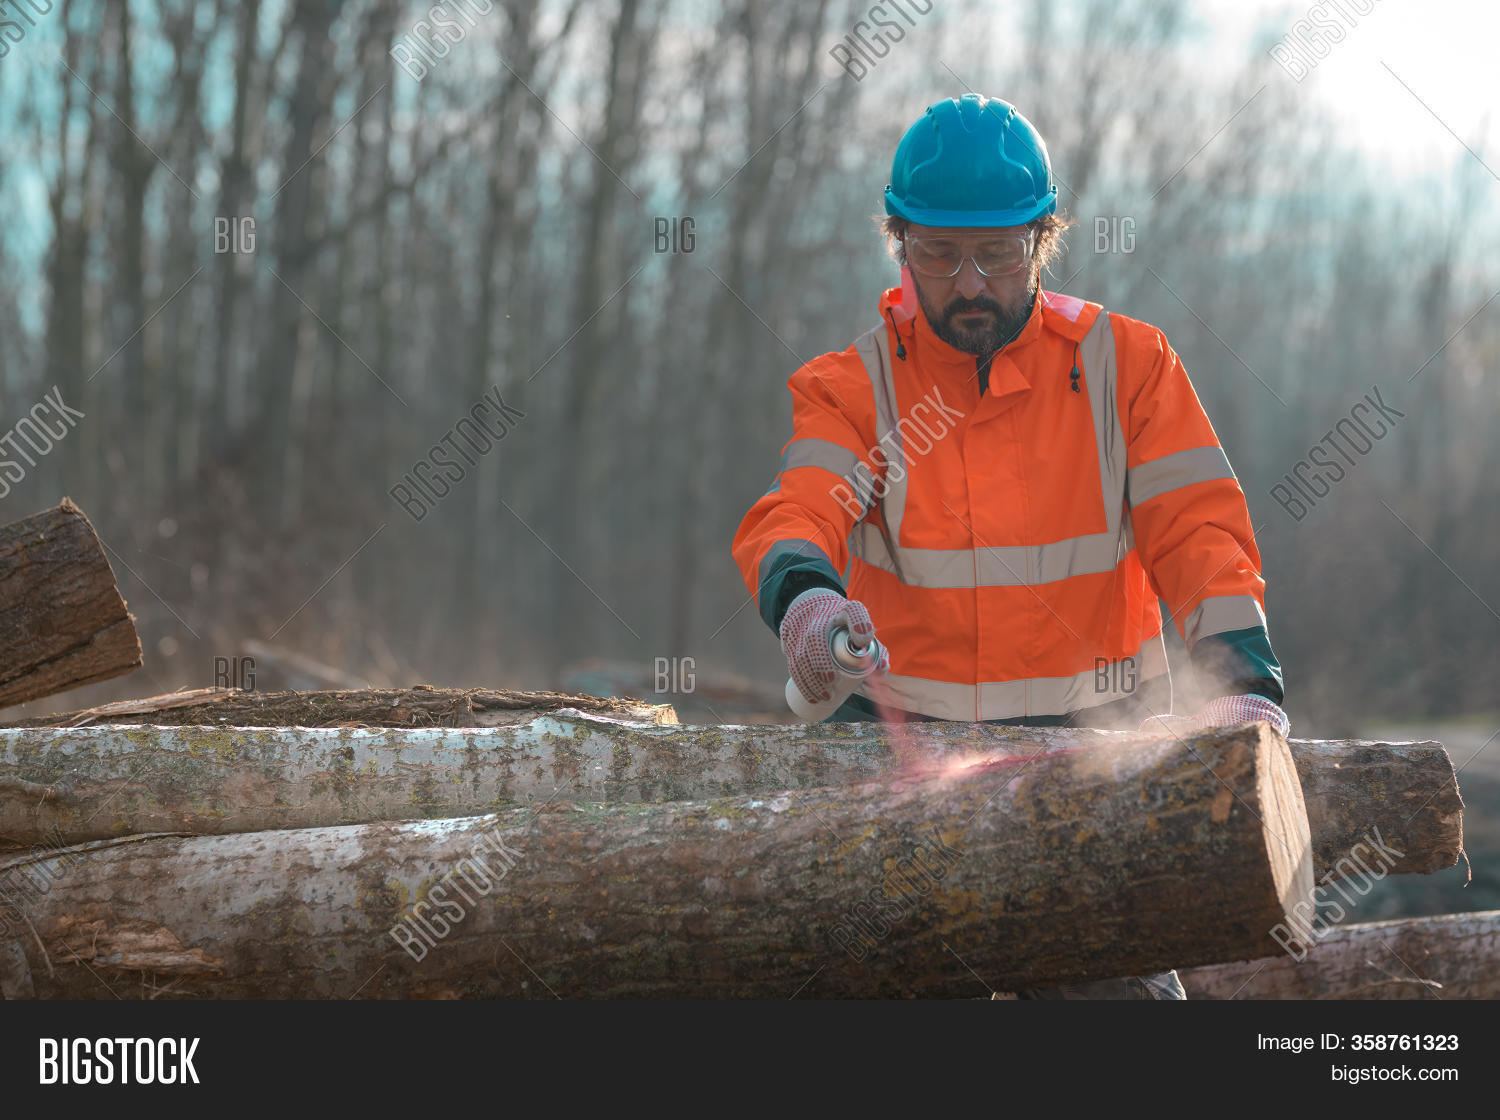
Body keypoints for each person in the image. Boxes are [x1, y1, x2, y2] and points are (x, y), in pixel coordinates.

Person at [731, 94, 1290, 1000]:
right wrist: (806, 601)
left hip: (1099, 767)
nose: (970, 282)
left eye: (996, 252)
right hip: (902, 772)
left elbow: (1199, 533)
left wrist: (1244, 684)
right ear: (898, 244)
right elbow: (797, 511)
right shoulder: (852, 386)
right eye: (939, 254)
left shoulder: (1129, 367)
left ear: (1042, 241)